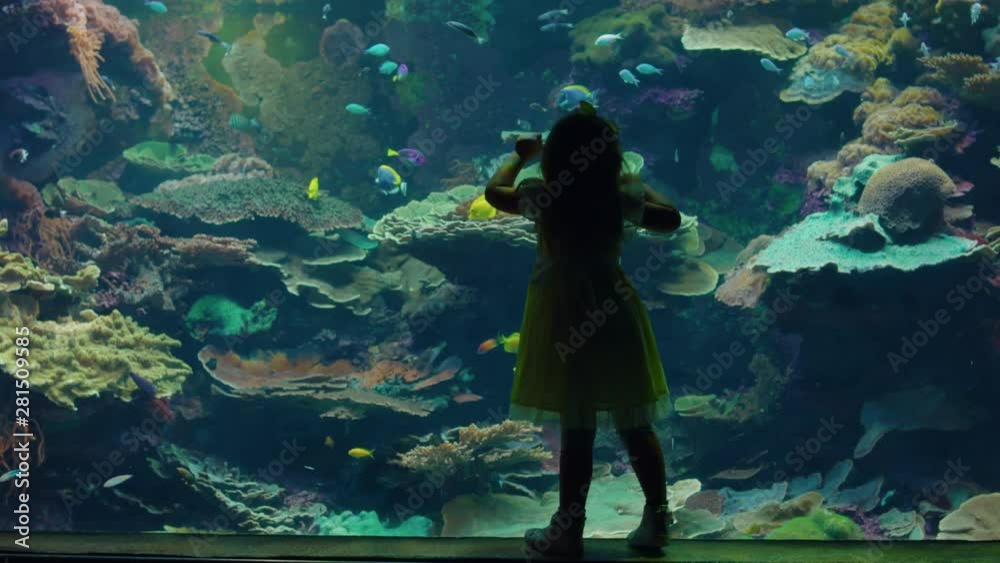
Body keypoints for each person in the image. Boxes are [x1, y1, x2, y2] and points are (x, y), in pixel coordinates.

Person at [485, 104, 681, 558]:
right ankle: (658, 518)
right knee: (635, 421)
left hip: (562, 317)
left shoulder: (544, 193)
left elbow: (495, 194)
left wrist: (521, 156)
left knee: (577, 427)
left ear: (554, 156)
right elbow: (670, 218)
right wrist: (630, 176)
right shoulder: (617, 198)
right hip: (613, 310)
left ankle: (568, 528)